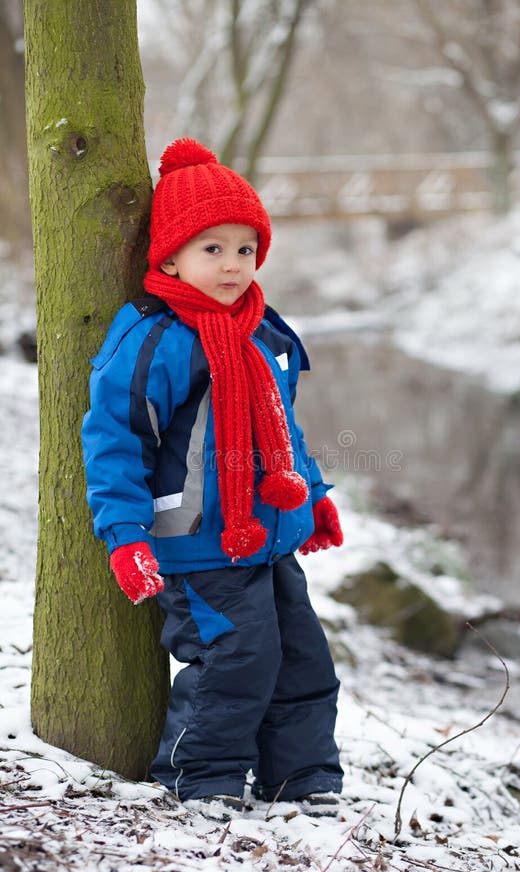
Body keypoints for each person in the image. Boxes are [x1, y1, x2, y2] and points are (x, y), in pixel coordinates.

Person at [81, 139, 344, 819]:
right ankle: (202, 780)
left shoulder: (259, 331)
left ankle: (303, 777)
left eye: (245, 250)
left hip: (271, 532)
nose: (233, 265)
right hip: (201, 542)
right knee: (235, 660)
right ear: (169, 256)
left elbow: (283, 429)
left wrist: (312, 497)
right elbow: (116, 441)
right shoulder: (154, 339)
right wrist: (124, 535)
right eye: (213, 249)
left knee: (304, 661)